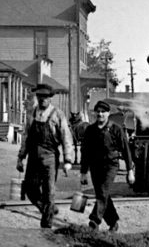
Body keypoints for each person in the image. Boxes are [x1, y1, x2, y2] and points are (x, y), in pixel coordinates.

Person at [16, 84, 74, 228]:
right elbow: (26, 137)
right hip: (33, 157)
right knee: (30, 188)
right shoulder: (32, 114)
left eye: (45, 97)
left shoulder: (57, 114)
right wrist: (20, 157)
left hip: (50, 157)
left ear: (50, 98)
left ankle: (46, 225)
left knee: (49, 191)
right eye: (40, 97)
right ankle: (48, 209)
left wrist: (68, 160)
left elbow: (66, 137)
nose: (42, 99)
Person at [80, 100, 135, 232]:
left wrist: (130, 170)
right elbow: (85, 151)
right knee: (102, 194)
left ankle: (95, 220)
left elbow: (126, 150)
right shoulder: (90, 130)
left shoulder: (116, 129)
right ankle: (113, 221)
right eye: (98, 112)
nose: (100, 114)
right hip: (95, 166)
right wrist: (83, 172)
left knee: (103, 191)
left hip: (111, 165)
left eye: (103, 112)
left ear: (108, 113)